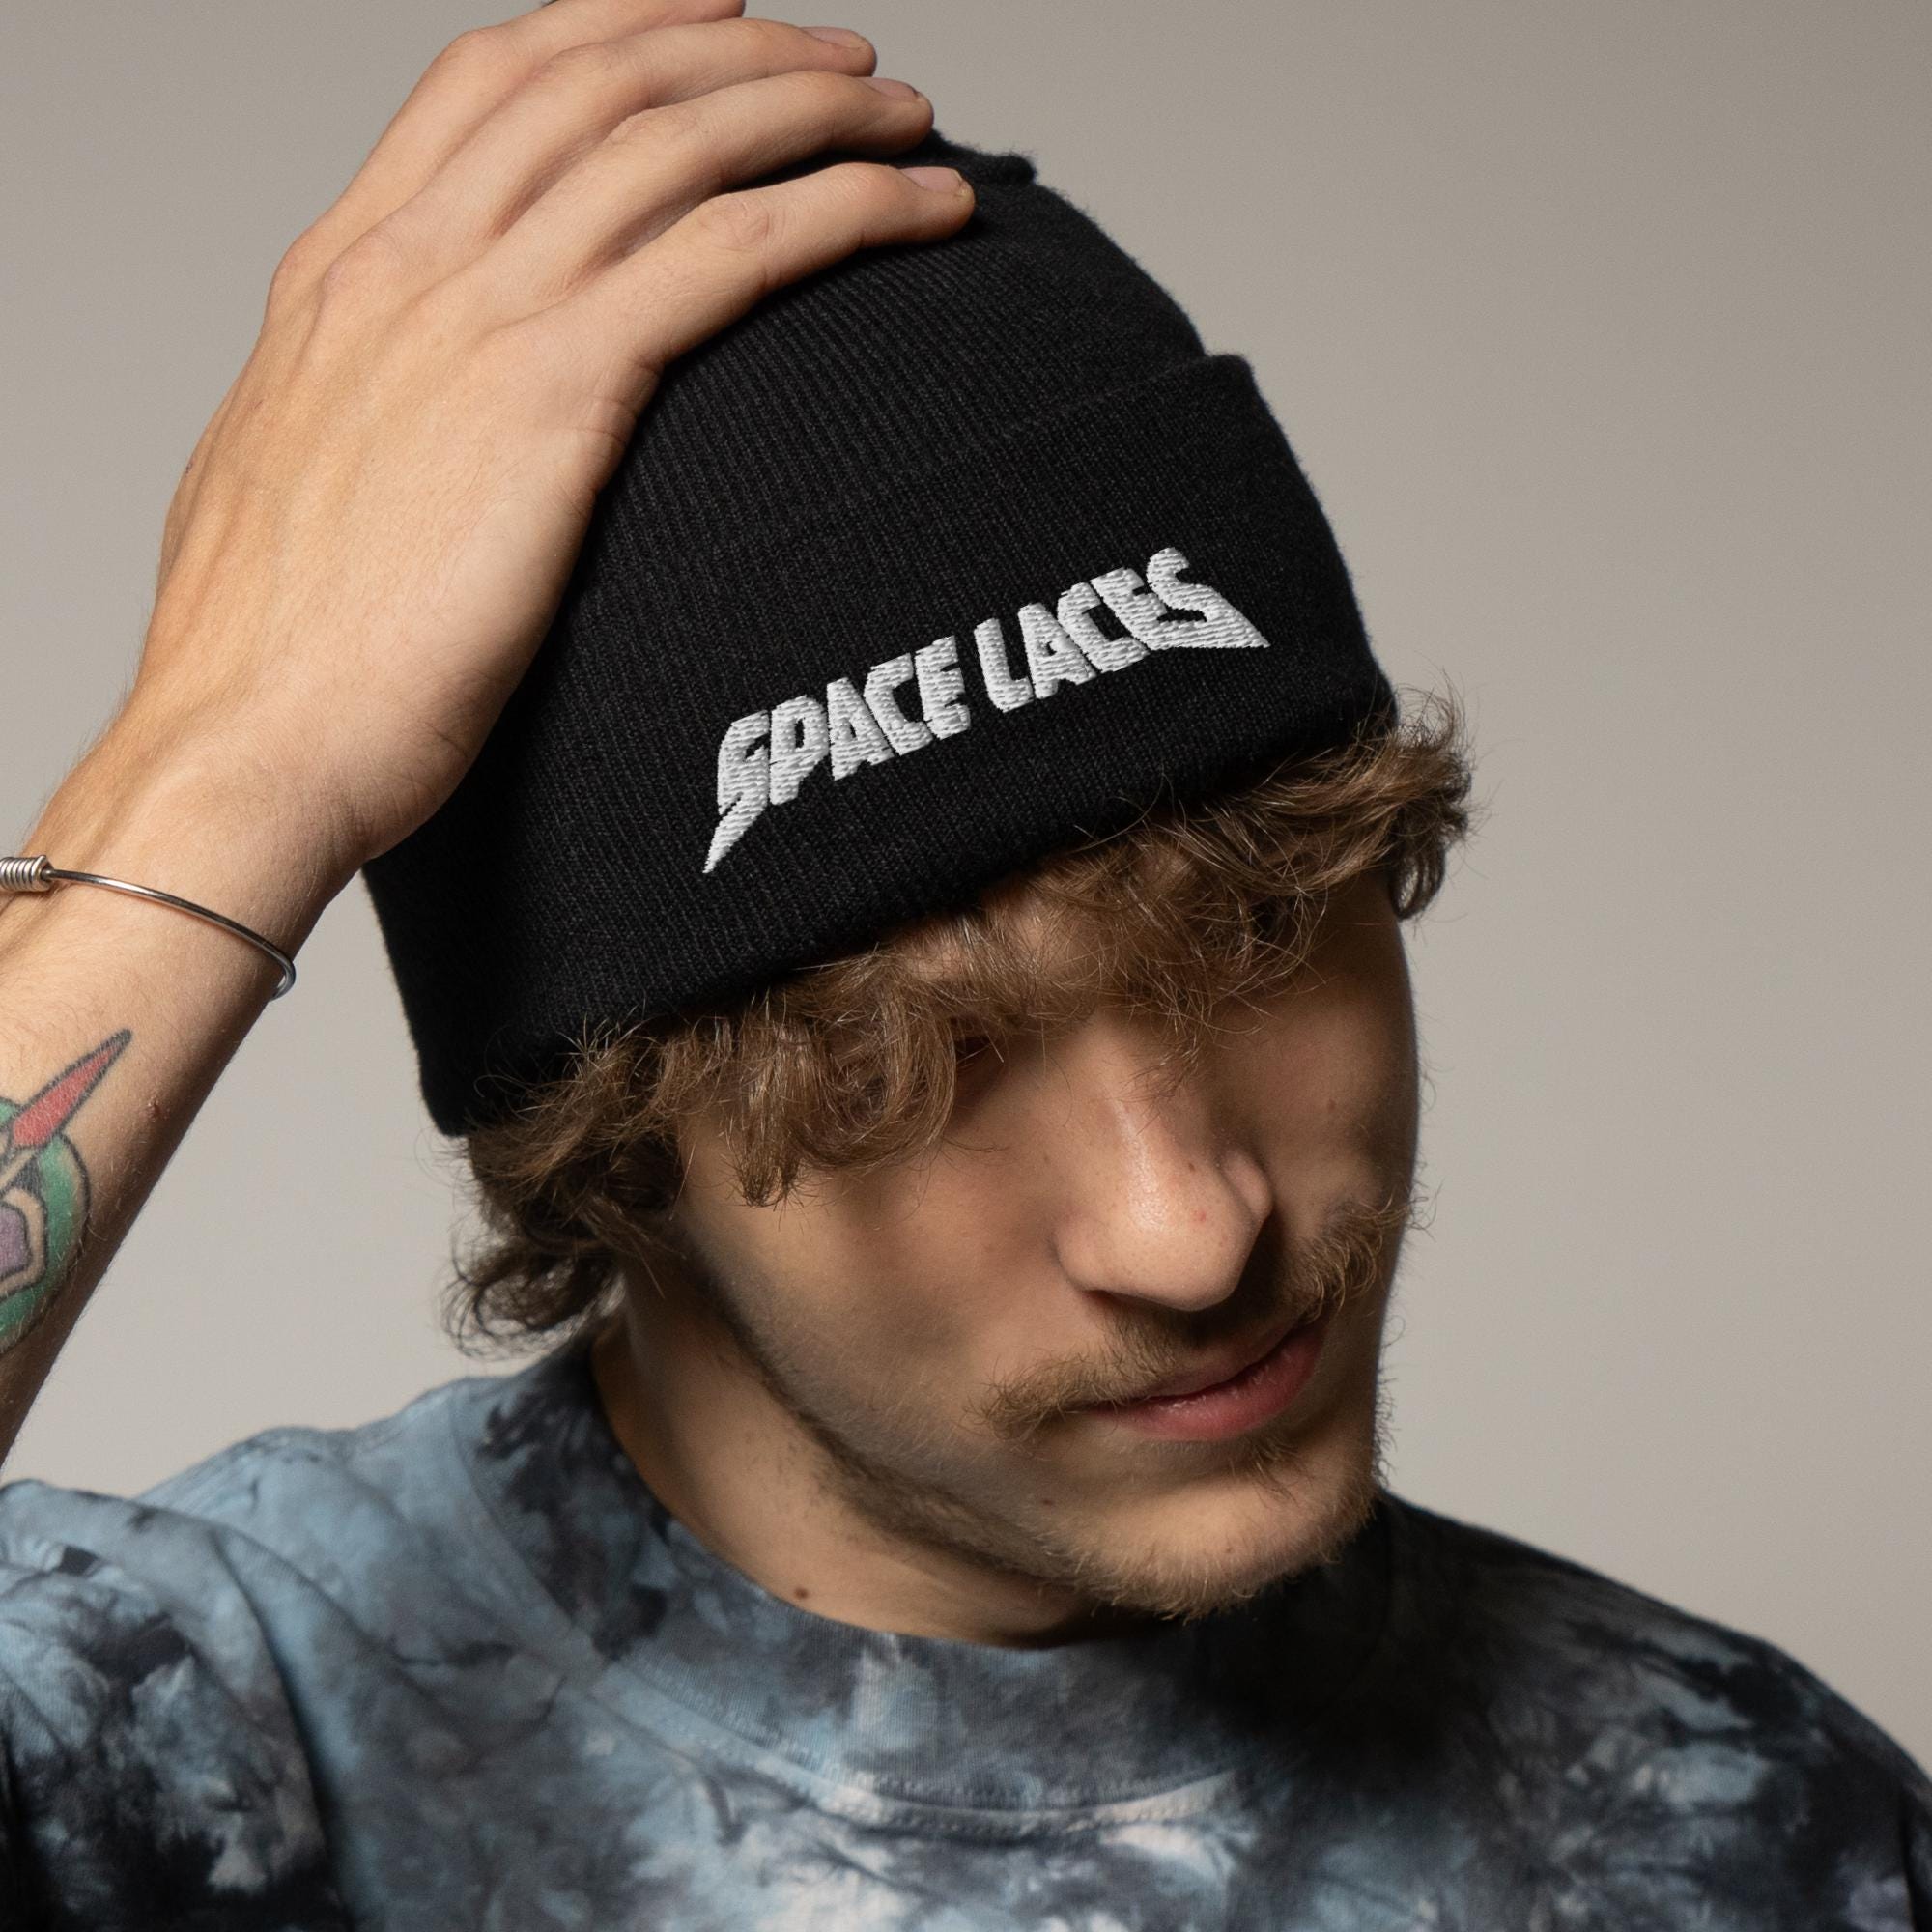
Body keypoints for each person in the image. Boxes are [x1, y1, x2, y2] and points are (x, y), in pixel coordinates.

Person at [0, 2, 1925, 1925]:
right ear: (615, 1156)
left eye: (1258, 935)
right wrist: (219, 776)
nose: (1193, 1232)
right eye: (908, 1068)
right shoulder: (181, 1751)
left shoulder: (1756, 1833)